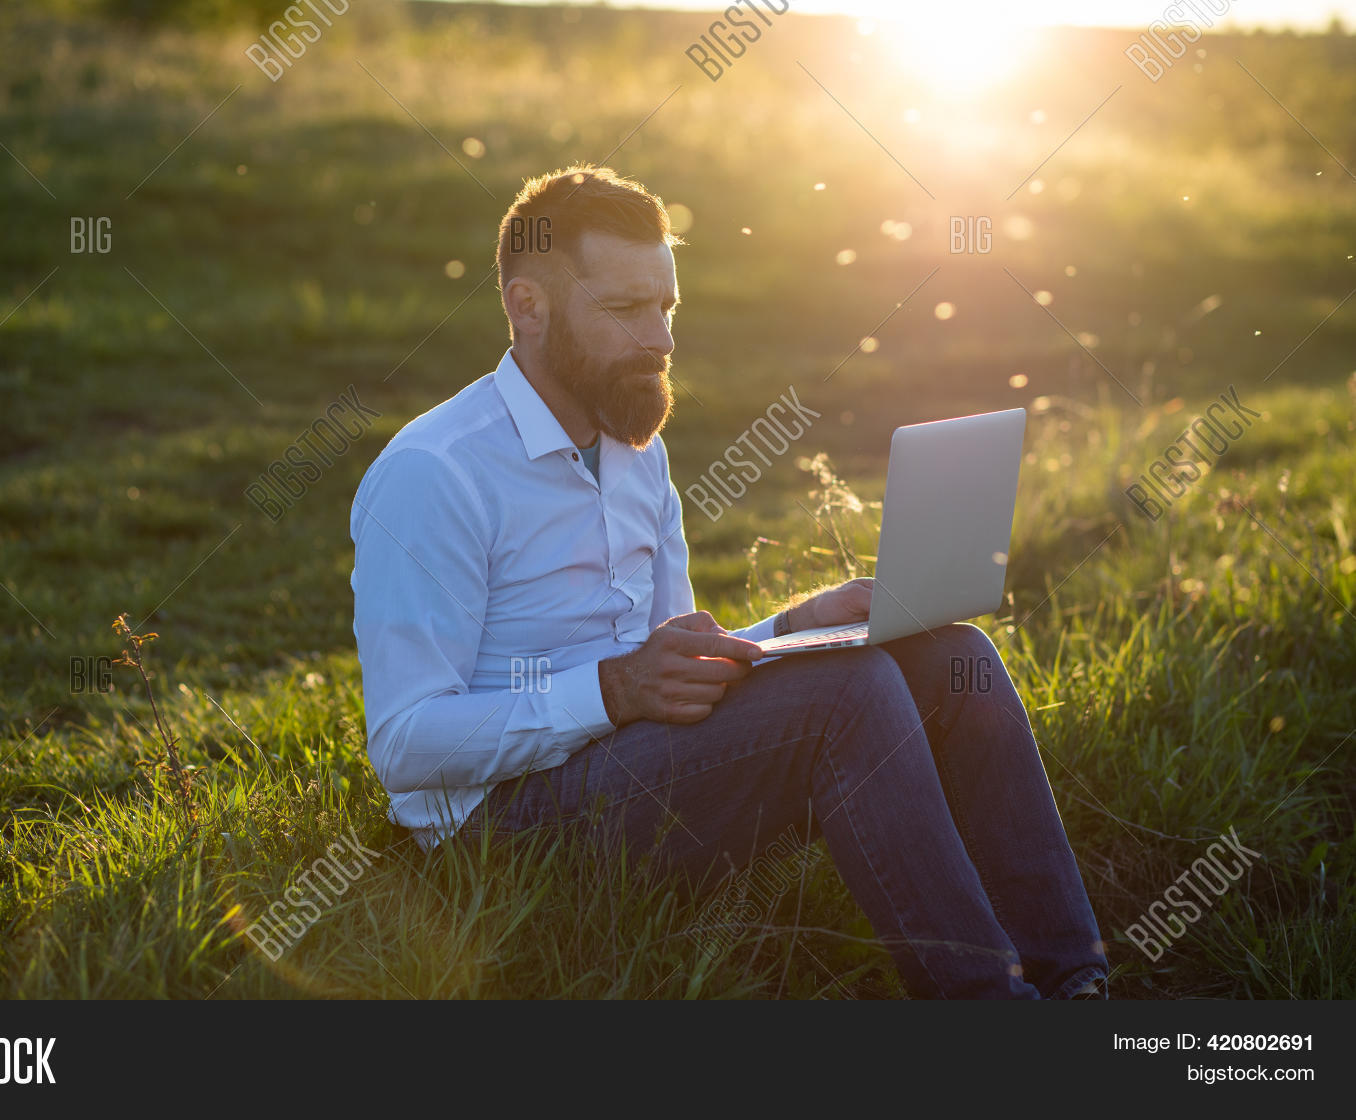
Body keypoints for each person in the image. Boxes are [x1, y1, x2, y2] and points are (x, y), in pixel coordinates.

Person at [349, 165, 1108, 999]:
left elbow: (677, 671)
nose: (661, 341)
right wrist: (612, 690)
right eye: (624, 311)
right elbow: (406, 743)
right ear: (528, 307)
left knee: (953, 659)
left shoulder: (638, 453)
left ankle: (1075, 983)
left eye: (666, 309)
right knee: (845, 697)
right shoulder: (434, 473)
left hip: (630, 765)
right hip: (502, 830)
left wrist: (790, 627)